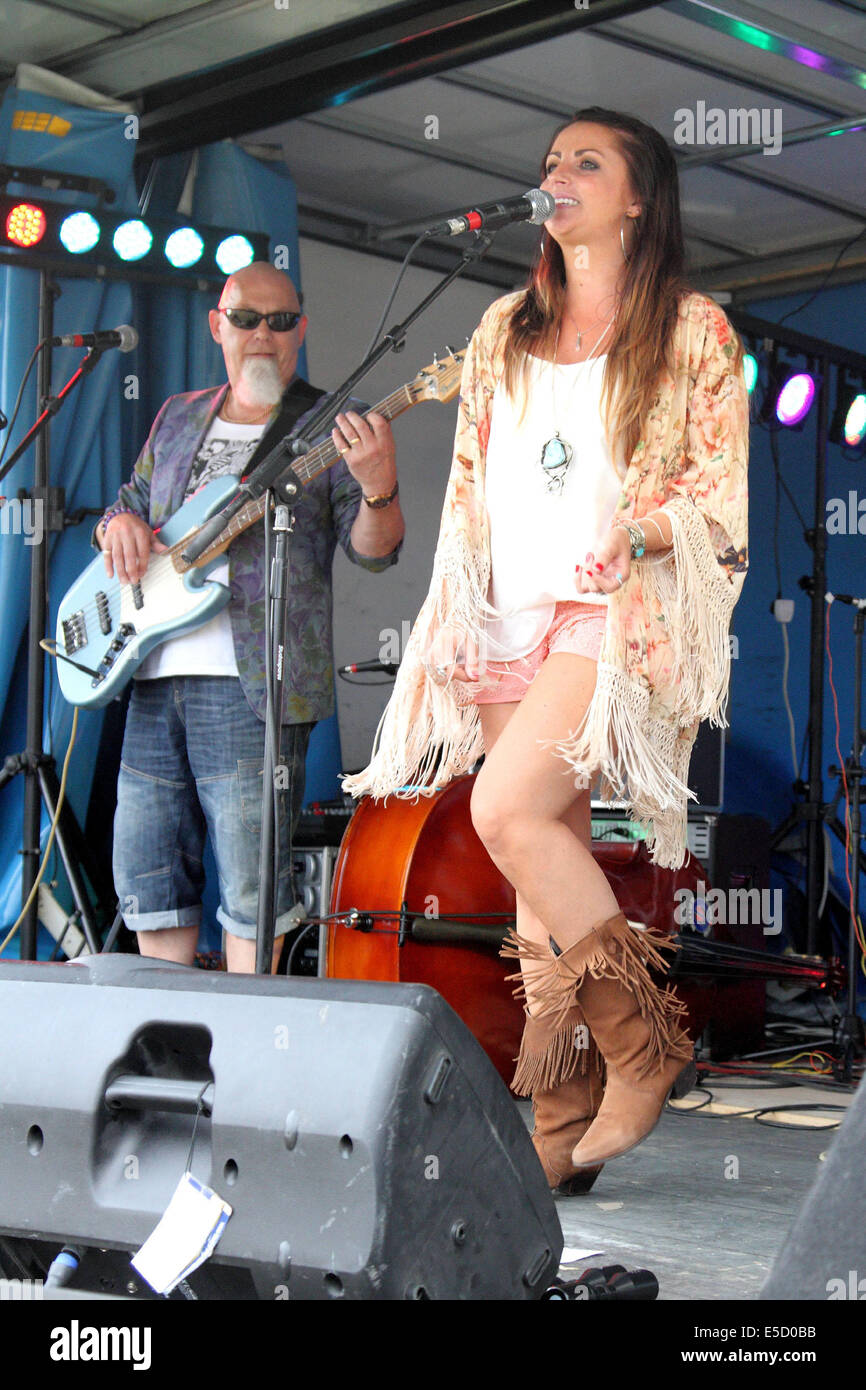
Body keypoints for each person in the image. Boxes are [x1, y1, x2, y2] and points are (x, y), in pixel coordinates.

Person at [344, 108, 749, 1187]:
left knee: (503, 811)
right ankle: (559, 1122)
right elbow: (479, 488)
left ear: (634, 199)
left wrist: (645, 533)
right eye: (548, 162)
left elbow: (720, 499)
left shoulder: (691, 330)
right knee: (535, 862)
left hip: (606, 613)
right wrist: (456, 603)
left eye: (585, 161)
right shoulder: (500, 328)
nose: (556, 174)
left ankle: (643, 1043)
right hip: (504, 612)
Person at [98, 262, 404, 973]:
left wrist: (381, 489)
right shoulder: (177, 415)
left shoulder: (329, 425)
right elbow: (128, 503)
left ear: (300, 330)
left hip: (252, 686)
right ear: (218, 327)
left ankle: (243, 1052)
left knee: (250, 888)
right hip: (148, 674)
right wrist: (115, 523)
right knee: (149, 876)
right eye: (246, 319)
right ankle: (157, 1044)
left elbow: (374, 554)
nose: (263, 334)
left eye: (280, 320)